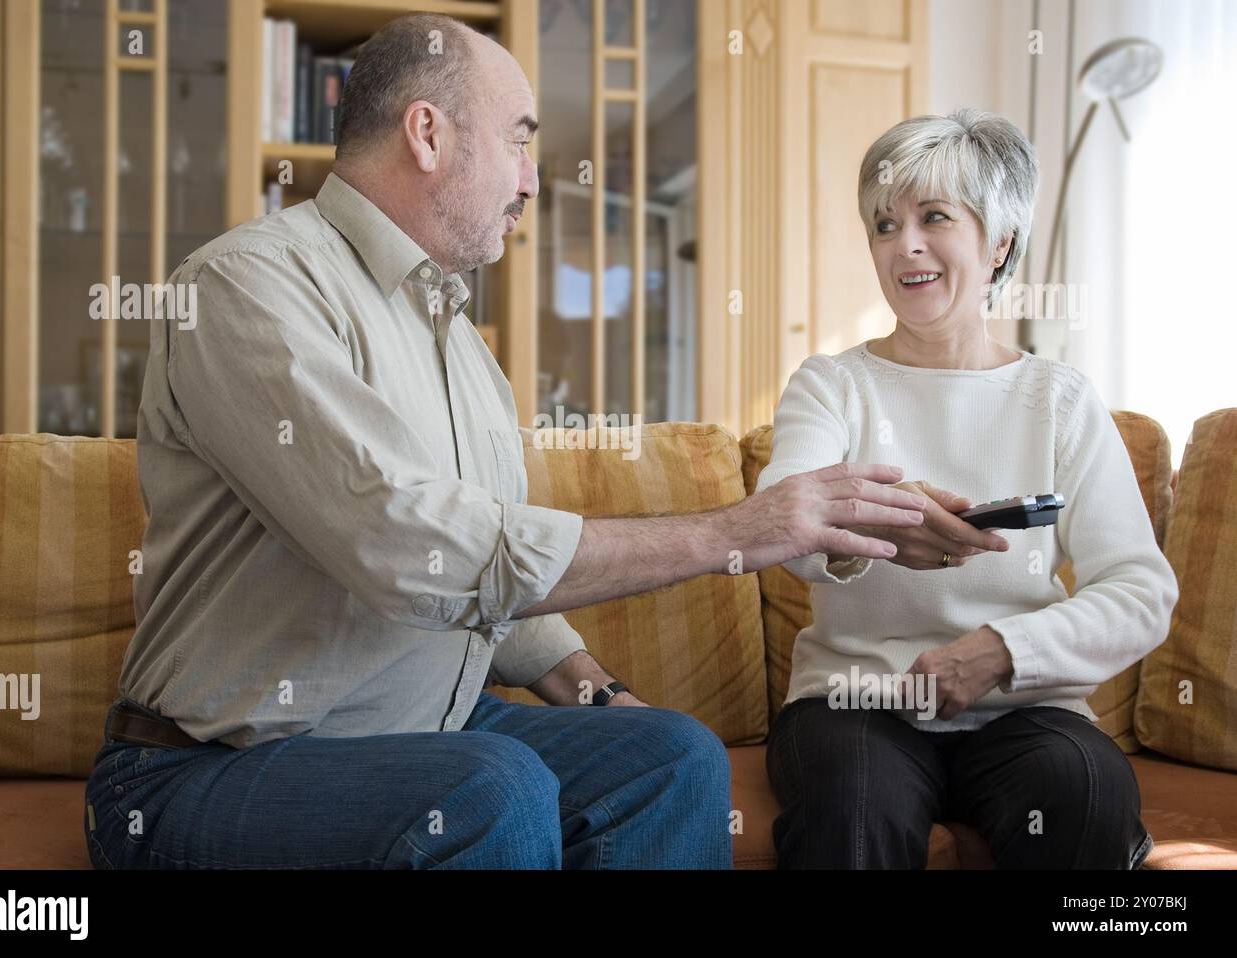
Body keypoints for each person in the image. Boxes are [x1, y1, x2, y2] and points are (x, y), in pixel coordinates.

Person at [82, 13, 927, 870]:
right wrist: (733, 531)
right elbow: (406, 545)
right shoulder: (248, 285)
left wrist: (597, 692)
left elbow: (486, 580)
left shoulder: (460, 342)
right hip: (205, 767)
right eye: (519, 142)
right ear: (426, 133)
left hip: (425, 735)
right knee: (492, 787)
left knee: (673, 758)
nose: (531, 180)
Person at [756, 109, 1179, 870]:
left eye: (935, 217)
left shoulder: (1059, 399)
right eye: (884, 225)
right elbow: (782, 520)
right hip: (857, 703)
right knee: (854, 810)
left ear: (1001, 243)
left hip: (1024, 710)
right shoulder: (832, 386)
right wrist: (882, 522)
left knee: (1085, 788)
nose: (905, 244)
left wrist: (1004, 651)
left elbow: (1140, 590)